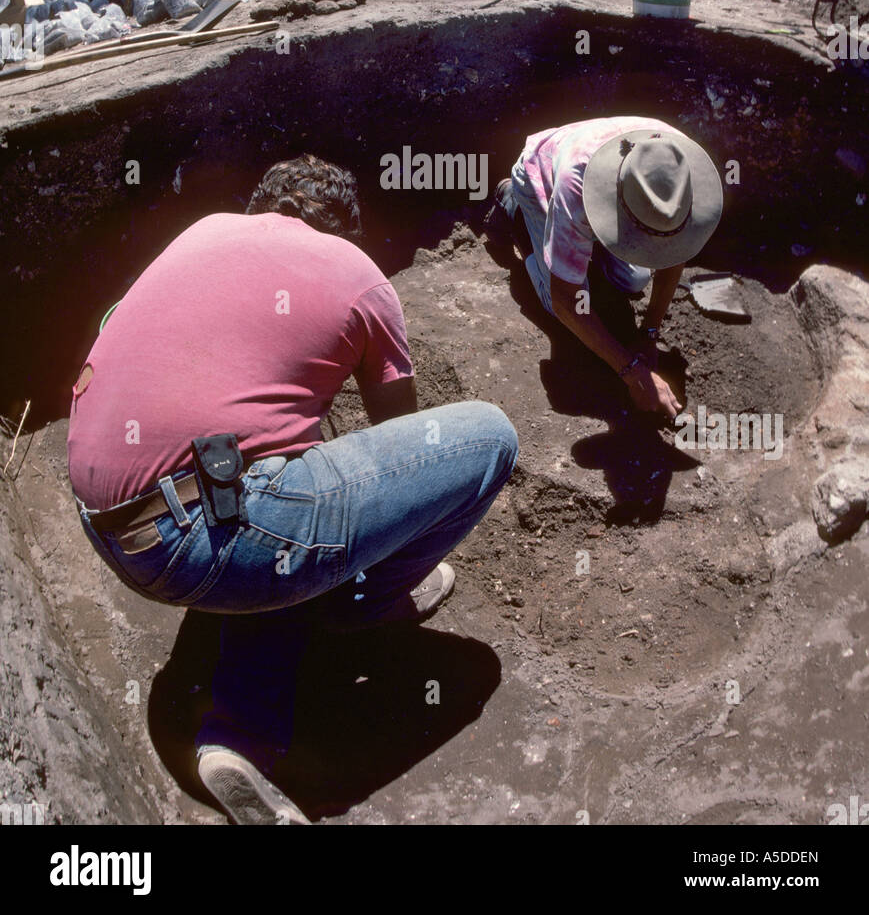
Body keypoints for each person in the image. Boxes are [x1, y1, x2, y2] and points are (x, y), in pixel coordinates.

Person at [68, 155, 518, 824]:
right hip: (198, 539)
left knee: (271, 488)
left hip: (106, 521)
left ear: (260, 204)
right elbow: (409, 438)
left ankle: (236, 738)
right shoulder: (358, 276)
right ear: (345, 230)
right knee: (487, 434)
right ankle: (367, 605)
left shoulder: (200, 233)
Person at [487, 117, 723, 419]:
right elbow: (566, 300)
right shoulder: (575, 189)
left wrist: (650, 332)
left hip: (608, 197)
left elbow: (677, 250)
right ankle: (512, 206)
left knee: (634, 279)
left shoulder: (678, 170)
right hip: (541, 184)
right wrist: (632, 371)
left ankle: (582, 250)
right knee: (555, 305)